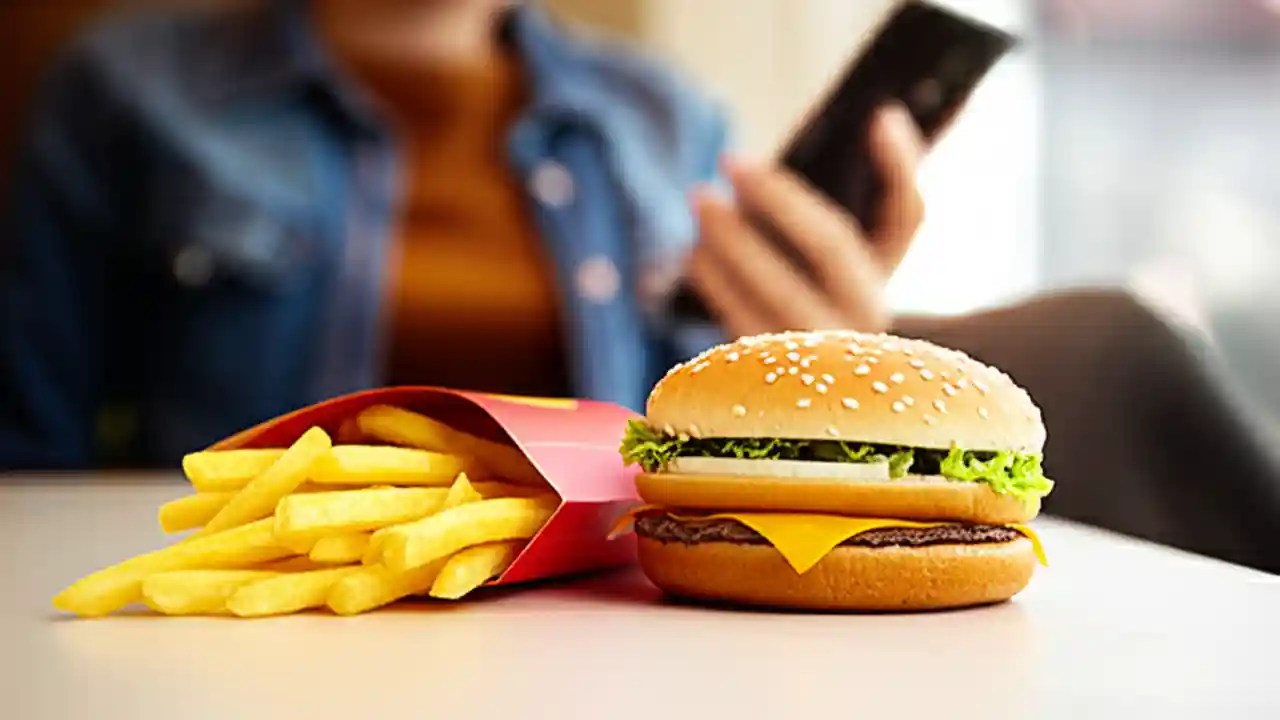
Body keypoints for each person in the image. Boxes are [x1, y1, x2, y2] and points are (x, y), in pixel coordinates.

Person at [0, 0, 925, 469]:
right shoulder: (121, 88)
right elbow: (27, 449)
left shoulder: (667, 119)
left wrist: (825, 380)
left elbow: (692, 454)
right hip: (234, 633)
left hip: (596, 638)